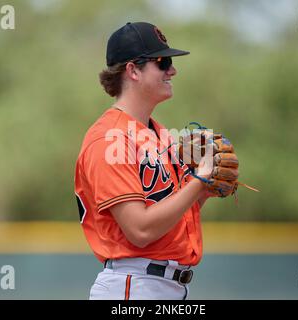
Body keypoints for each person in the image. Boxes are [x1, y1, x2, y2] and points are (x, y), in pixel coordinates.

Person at [74, 22, 238, 300]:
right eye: (163, 62)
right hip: (133, 285)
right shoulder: (109, 138)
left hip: (165, 286)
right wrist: (198, 183)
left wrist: (204, 190)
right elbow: (140, 229)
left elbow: (170, 217)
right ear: (133, 70)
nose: (172, 70)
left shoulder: (159, 134)